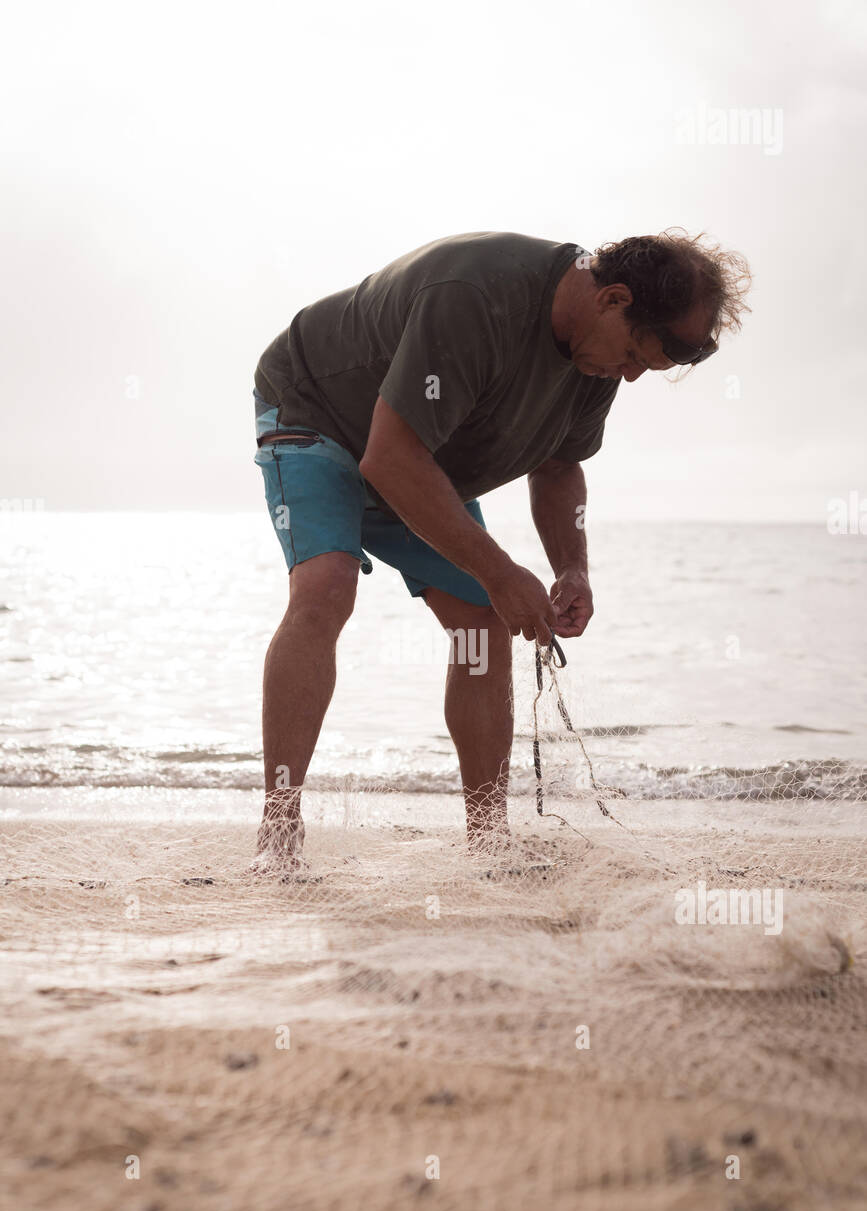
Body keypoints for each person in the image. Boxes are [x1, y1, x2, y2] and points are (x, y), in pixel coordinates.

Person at [250, 229, 750, 873]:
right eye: (632, 355)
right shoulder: (475, 297)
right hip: (317, 410)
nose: (628, 375)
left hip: (417, 456)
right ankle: (279, 837)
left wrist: (571, 565)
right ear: (614, 298)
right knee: (326, 587)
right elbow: (390, 458)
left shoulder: (594, 357)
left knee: (480, 624)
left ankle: (488, 839)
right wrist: (498, 569)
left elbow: (560, 465)